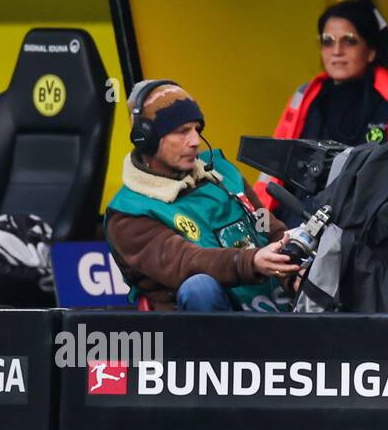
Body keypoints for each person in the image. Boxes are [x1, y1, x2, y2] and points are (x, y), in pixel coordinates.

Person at [106, 80, 299, 312]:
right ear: (145, 139)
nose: (195, 141)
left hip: (279, 309)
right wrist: (252, 261)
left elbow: (265, 225)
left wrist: (293, 266)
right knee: (199, 287)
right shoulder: (128, 213)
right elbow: (186, 262)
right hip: (207, 331)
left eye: (197, 129)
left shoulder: (223, 173)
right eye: (182, 132)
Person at [254, 0, 388, 213]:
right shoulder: (306, 97)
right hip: (296, 218)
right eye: (328, 41)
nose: (337, 51)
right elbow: (275, 164)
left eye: (349, 41)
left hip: (364, 225)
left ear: (371, 51)